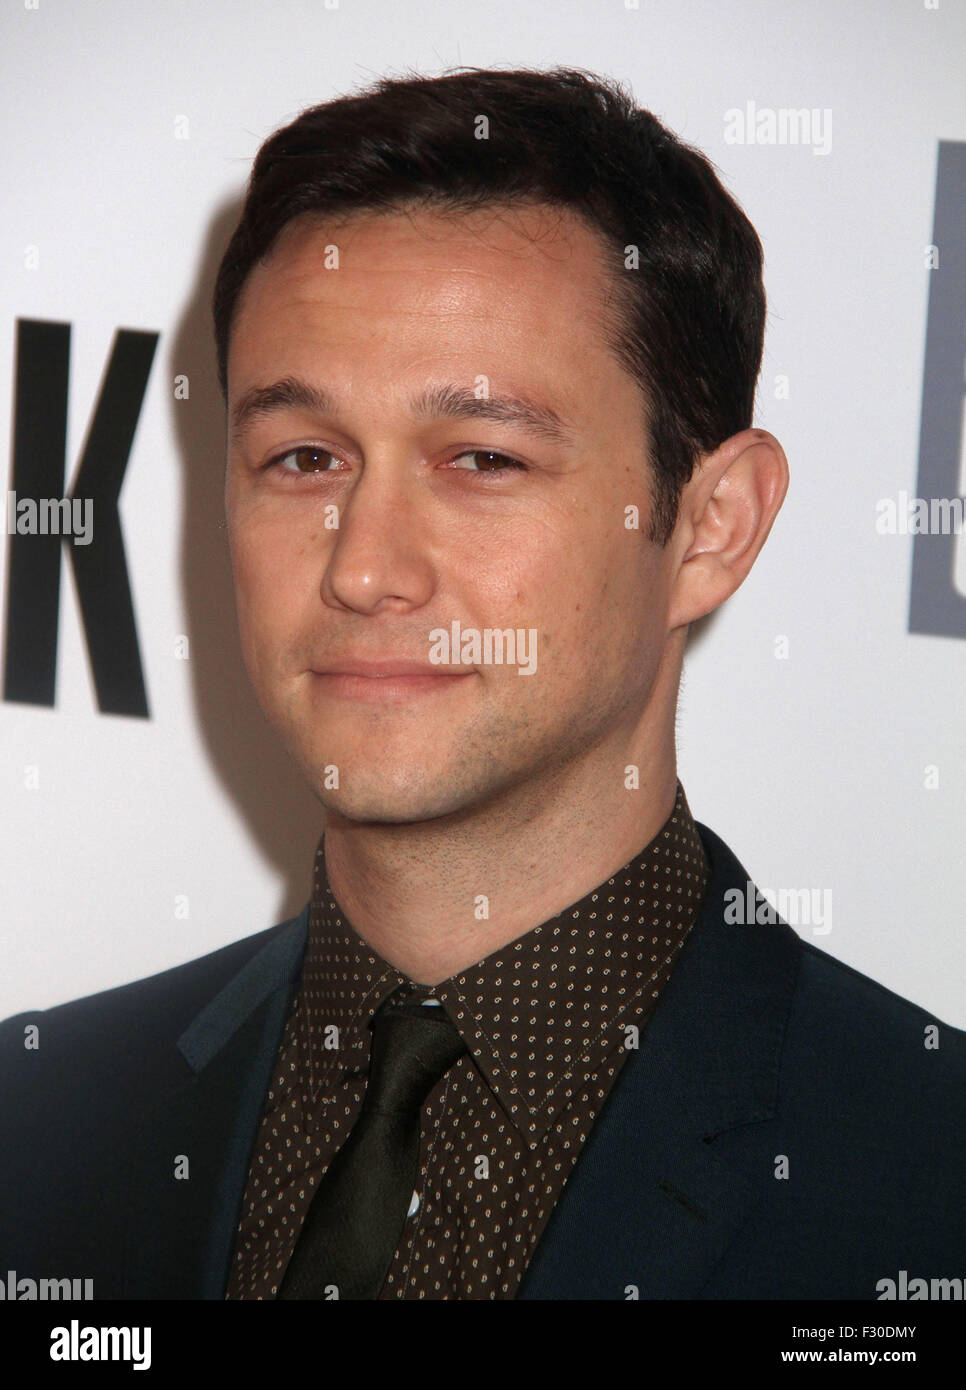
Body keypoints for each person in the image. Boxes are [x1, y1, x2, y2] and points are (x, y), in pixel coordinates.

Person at [2, 67, 963, 1302]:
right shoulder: (34, 1126)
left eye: (482, 459)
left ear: (712, 523)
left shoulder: (929, 1189)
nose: (364, 567)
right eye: (303, 457)